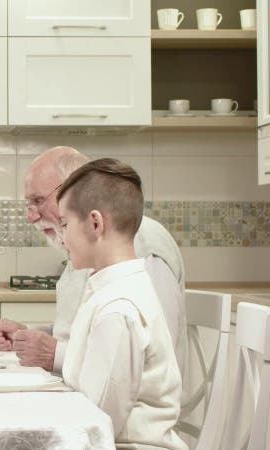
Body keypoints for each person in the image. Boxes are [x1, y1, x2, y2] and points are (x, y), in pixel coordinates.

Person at [0, 146, 187, 375]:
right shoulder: (81, 246)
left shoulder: (138, 241)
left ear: (75, 190)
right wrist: (29, 336)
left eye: (39, 200)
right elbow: (85, 332)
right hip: (80, 391)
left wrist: (55, 354)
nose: (31, 216)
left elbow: (150, 354)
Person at [55, 158, 186, 449]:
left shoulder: (118, 309)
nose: (62, 238)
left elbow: (96, 425)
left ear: (95, 223)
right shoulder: (116, 289)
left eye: (64, 224)